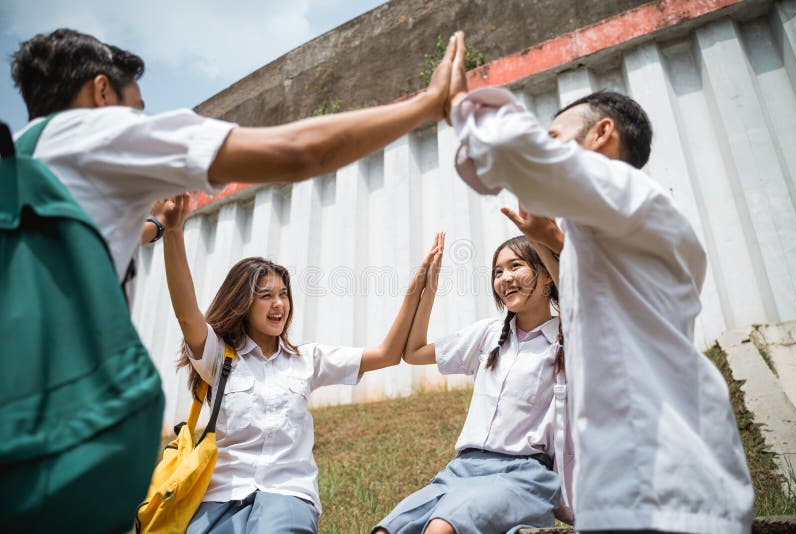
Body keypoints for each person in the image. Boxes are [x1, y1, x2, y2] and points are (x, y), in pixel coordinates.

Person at [446, 32, 754, 533]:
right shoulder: (617, 236)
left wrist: (460, 104)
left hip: (666, 496)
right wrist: (551, 238)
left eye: (556, 136)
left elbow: (508, 156)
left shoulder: (632, 192)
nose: (548, 149)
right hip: (631, 495)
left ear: (601, 134)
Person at [9, 28, 462, 284]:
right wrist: (427, 103)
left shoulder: (23, 159)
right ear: (101, 90)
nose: (139, 120)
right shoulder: (101, 132)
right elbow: (296, 155)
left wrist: (161, 227)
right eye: (137, 108)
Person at [159, 194, 444, 533]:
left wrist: (417, 290)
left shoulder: (307, 360)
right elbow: (186, 313)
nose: (279, 304)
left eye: (283, 294)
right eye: (266, 296)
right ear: (243, 303)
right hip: (221, 496)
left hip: (287, 495)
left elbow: (387, 354)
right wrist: (173, 233)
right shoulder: (219, 357)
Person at [374, 234, 568, 534]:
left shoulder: (567, 339)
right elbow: (412, 352)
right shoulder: (489, 334)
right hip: (461, 471)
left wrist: (539, 235)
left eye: (515, 266)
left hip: (523, 475)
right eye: (498, 272)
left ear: (545, 275)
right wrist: (431, 285)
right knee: (387, 530)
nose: (505, 278)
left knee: (440, 529)